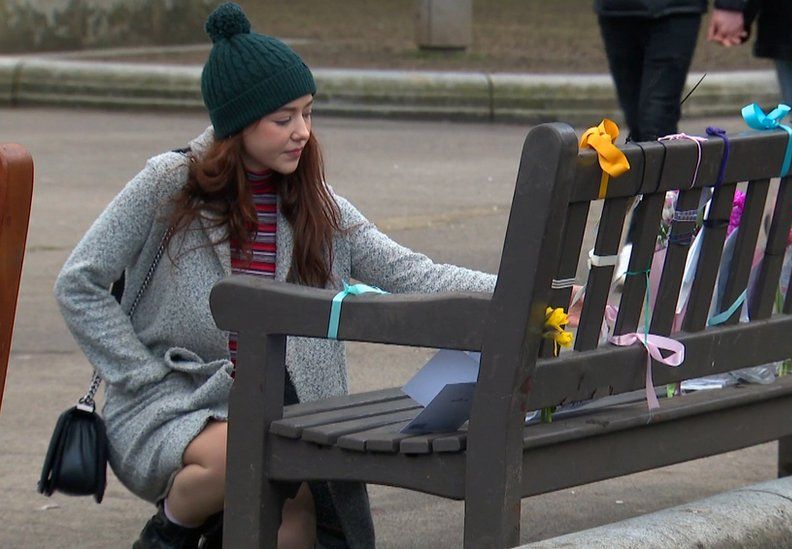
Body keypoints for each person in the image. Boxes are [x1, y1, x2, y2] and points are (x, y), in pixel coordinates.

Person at [53, 3, 495, 548]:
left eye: (308, 113)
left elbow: (415, 274)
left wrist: (530, 293)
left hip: (286, 406)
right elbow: (79, 283)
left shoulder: (316, 203)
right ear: (239, 123)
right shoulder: (169, 183)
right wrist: (140, 374)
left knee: (296, 508)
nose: (302, 132)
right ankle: (170, 529)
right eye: (283, 119)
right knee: (254, 458)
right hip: (174, 399)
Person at [593, 0, 749, 142]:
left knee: (655, 119)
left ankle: (661, 169)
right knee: (634, 118)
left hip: (675, 11)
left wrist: (730, 5)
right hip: (614, 11)